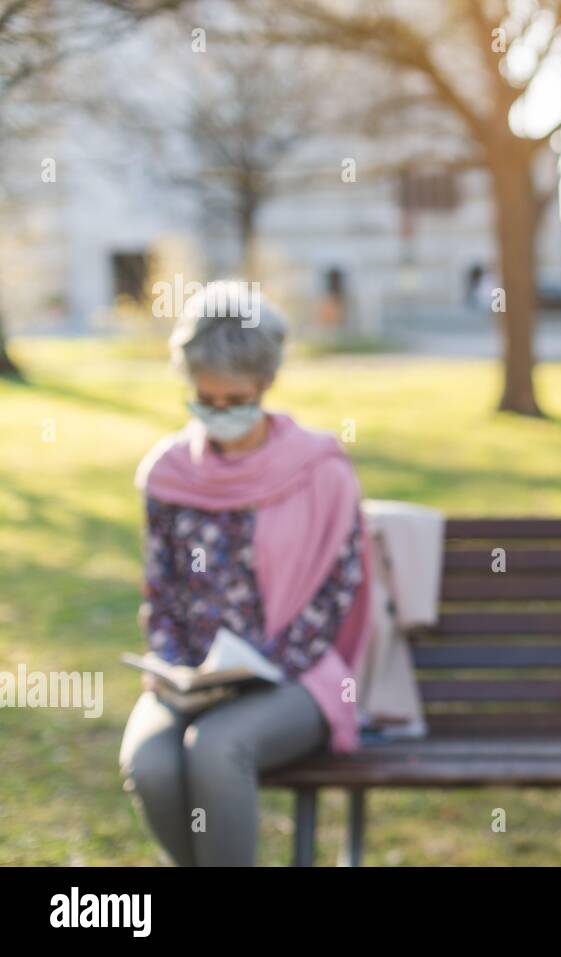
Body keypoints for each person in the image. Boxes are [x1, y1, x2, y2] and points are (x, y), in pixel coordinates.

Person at [118, 280, 371, 866]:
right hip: (191, 678)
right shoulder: (168, 474)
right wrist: (174, 665)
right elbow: (160, 590)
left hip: (296, 676)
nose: (218, 416)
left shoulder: (319, 468)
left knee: (216, 747)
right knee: (150, 763)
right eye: (204, 400)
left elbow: (340, 591)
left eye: (233, 400)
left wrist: (261, 671)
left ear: (265, 384)